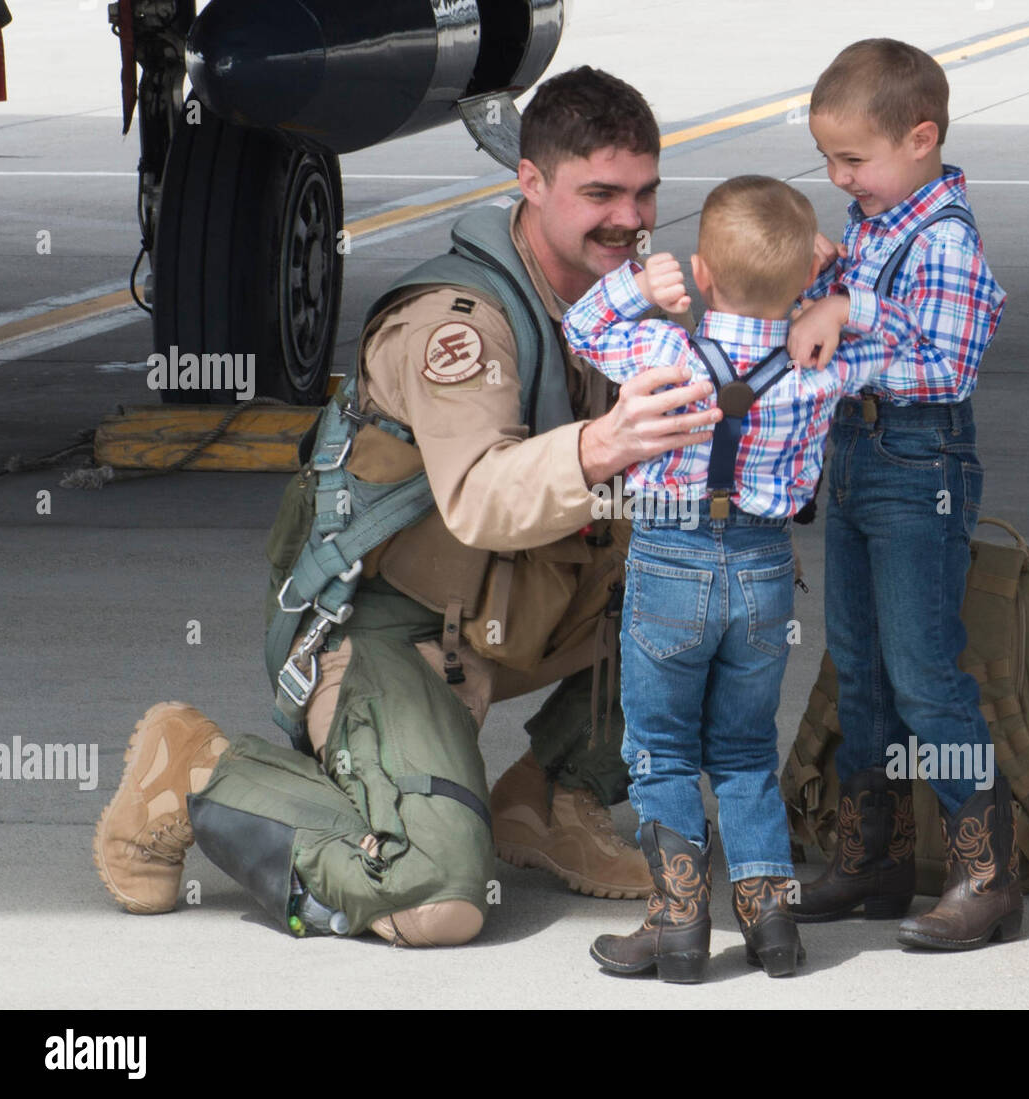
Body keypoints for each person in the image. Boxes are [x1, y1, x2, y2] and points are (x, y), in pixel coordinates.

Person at [92, 67, 721, 947]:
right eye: (601, 193)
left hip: (515, 601)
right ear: (530, 183)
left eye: (646, 191)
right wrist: (603, 446)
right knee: (433, 891)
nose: (631, 217)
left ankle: (554, 798)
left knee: (715, 578)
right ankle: (197, 774)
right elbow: (478, 498)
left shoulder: (611, 305)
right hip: (396, 627)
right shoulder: (454, 326)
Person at [564, 175, 880, 982]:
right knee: (744, 748)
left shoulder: (663, 348)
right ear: (798, 280)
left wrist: (637, 284)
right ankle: (771, 922)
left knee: (662, 750)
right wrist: (832, 292)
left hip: (670, 558)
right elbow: (903, 338)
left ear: (702, 274)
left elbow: (581, 325)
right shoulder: (818, 363)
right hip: (764, 566)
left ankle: (677, 924)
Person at [786, 39, 1016, 950]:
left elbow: (946, 364)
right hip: (857, 454)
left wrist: (855, 312)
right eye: (831, 160)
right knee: (860, 667)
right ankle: (872, 856)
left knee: (926, 674)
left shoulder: (945, 236)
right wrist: (820, 279)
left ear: (921, 138)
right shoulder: (875, 223)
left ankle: (984, 875)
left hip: (919, 465)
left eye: (855, 160)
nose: (842, 178)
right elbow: (833, 326)